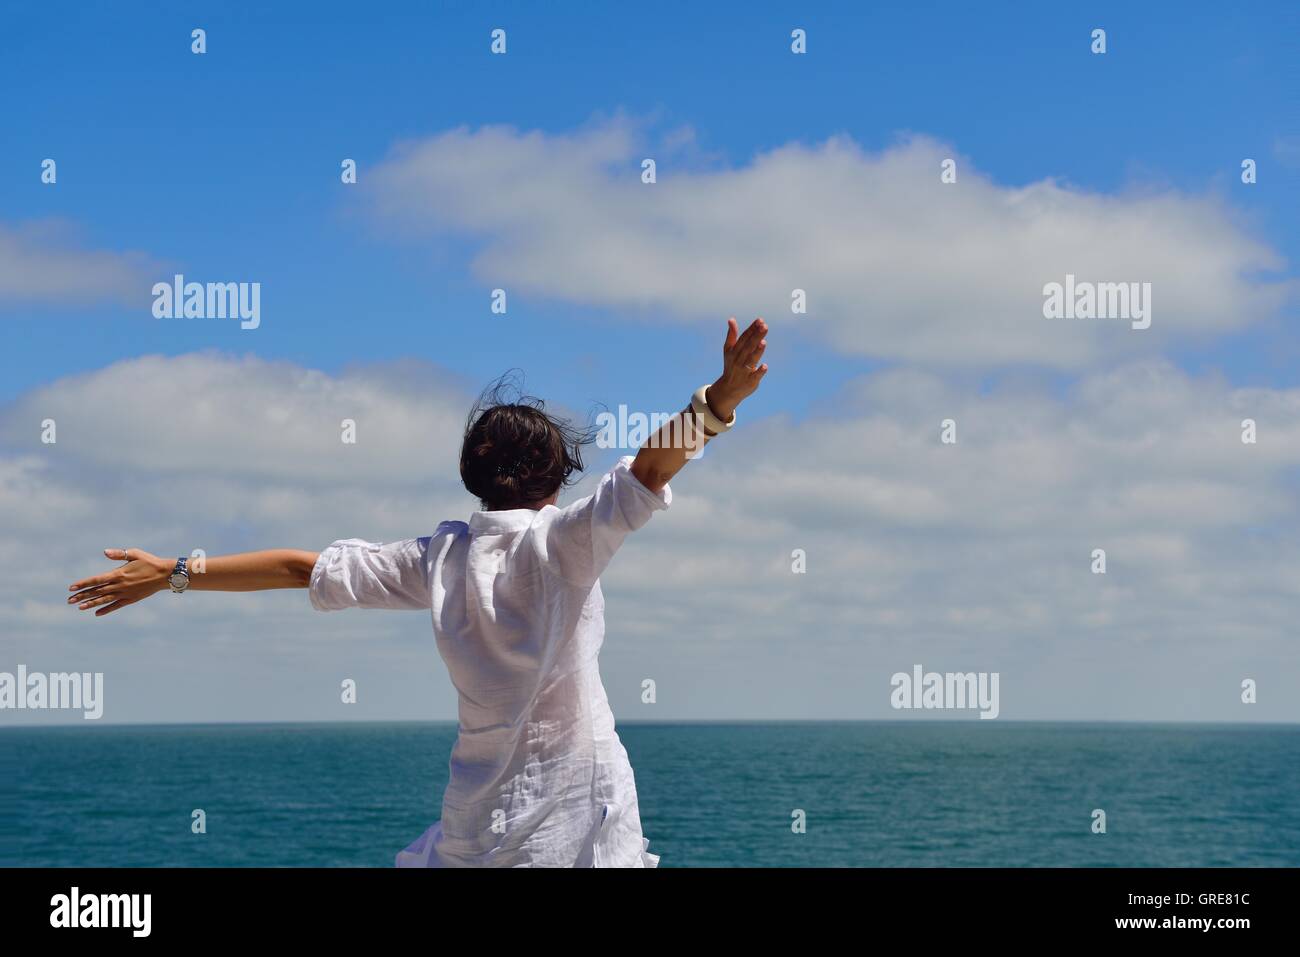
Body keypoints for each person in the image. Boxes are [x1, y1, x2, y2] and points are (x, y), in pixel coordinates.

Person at [68, 317, 770, 867]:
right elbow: (650, 467)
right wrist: (717, 401)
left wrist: (174, 573)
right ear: (557, 480)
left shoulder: (441, 559)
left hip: (477, 828)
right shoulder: (565, 543)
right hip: (579, 827)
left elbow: (297, 568)